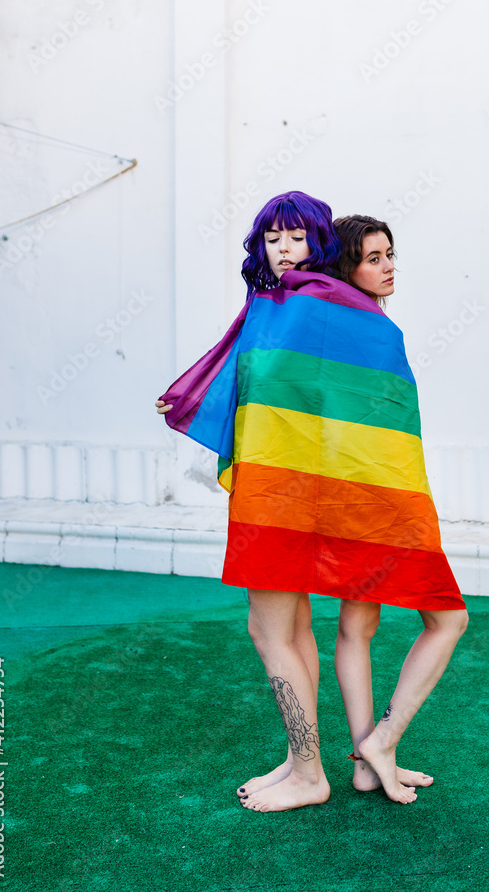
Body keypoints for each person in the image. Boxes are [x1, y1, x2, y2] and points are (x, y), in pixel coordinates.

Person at [156, 191, 339, 813]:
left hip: (288, 487)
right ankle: (299, 758)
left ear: (320, 241)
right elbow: (244, 375)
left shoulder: (312, 304)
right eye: (273, 239)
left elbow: (318, 394)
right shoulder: (272, 302)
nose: (284, 250)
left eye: (296, 237)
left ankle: (311, 773)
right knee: (295, 624)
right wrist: (191, 394)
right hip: (281, 482)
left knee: (267, 630)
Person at [331, 214, 469, 804]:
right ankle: (382, 742)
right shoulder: (368, 328)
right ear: (346, 268)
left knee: (358, 623)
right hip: (378, 497)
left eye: (390, 255)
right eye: (372, 258)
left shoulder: (361, 322)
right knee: (448, 618)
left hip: (366, 493)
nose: (388, 267)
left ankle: (366, 763)